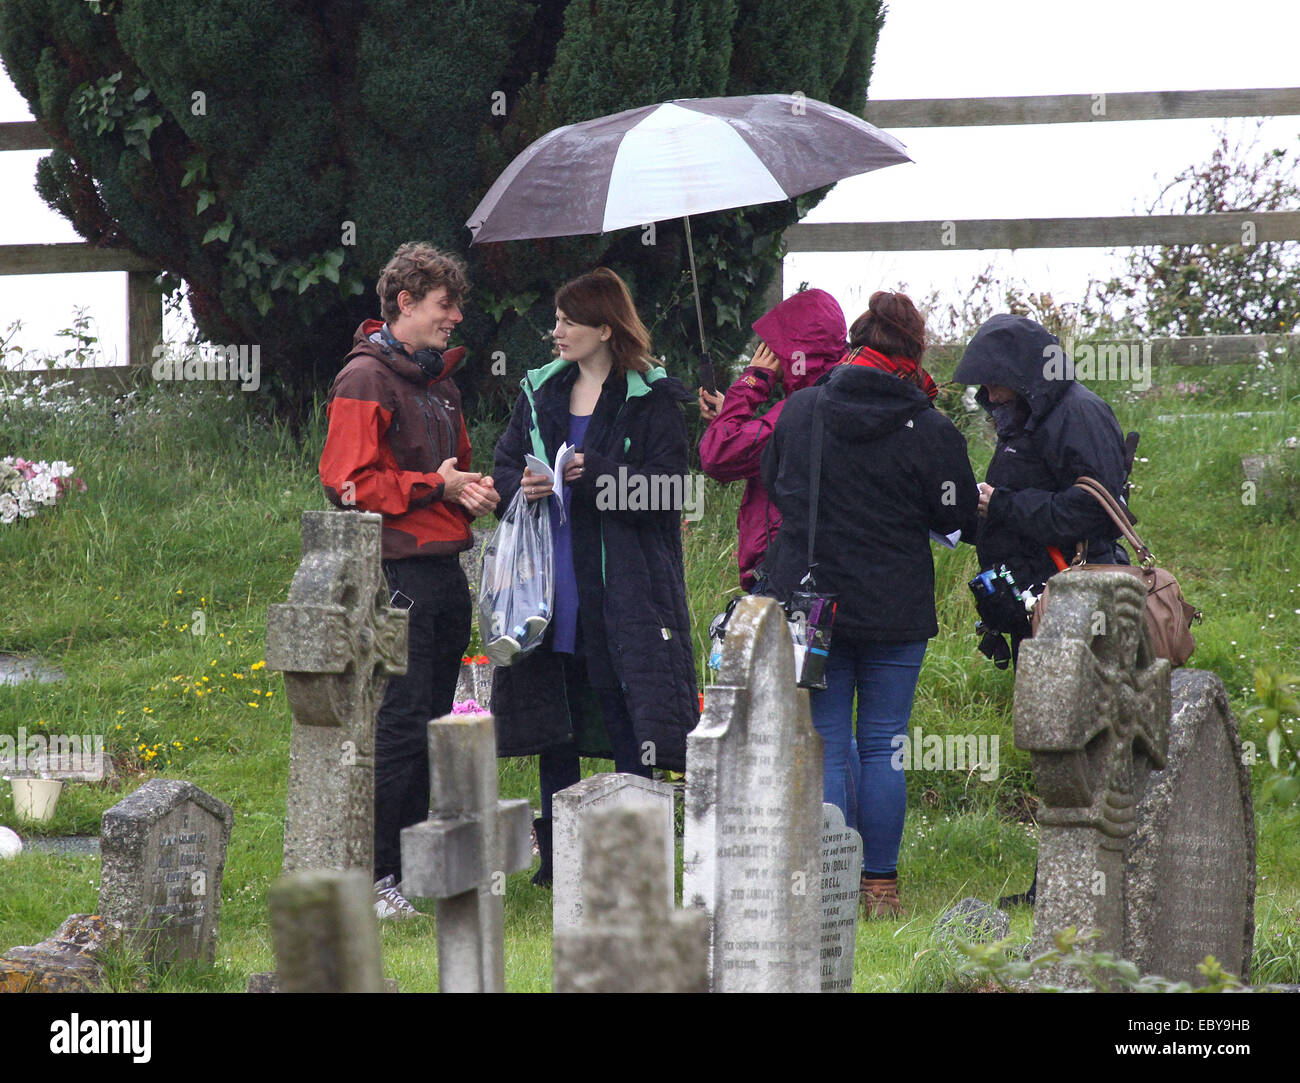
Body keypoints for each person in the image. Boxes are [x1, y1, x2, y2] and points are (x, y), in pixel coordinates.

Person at [759, 290, 978, 917]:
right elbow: (957, 516)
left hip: (814, 603)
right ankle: (880, 886)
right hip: (895, 604)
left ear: (857, 341)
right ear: (913, 350)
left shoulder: (800, 412)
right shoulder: (931, 426)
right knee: (884, 742)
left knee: (826, 742)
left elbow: (777, 487)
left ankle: (831, 884)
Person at [490, 267, 698, 885]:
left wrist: (602, 472)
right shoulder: (539, 393)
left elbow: (672, 489)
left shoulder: (654, 397)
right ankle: (558, 866)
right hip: (548, 590)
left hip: (623, 593)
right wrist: (519, 484)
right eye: (555, 319)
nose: (555, 332)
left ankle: (634, 861)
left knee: (630, 716)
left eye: (567, 321)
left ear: (605, 327)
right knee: (555, 725)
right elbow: (504, 463)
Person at [319, 242, 499, 918]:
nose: (455, 318)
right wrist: (435, 485)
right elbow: (347, 482)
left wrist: (475, 490)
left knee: (430, 722)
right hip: (395, 570)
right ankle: (376, 876)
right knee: (397, 725)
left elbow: (456, 472)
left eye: (456, 306)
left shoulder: (441, 382)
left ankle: (411, 869)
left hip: (447, 568)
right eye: (443, 305)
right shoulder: (365, 379)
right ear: (405, 303)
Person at [952, 313, 1133, 905]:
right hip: (1045, 606)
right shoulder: (1032, 416)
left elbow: (1097, 511)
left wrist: (1002, 505)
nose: (989, 399)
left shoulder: (1077, 413)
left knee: (1082, 742)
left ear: (1024, 377)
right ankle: (1056, 882)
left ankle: (1082, 881)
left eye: (996, 387)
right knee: (1057, 741)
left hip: (1082, 604)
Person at [697, 288, 847, 590]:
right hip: (818, 567)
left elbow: (718, 455)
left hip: (784, 569)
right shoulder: (835, 394)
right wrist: (730, 413)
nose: (768, 352)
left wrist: (752, 382)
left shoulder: (801, 409)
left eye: (776, 344)